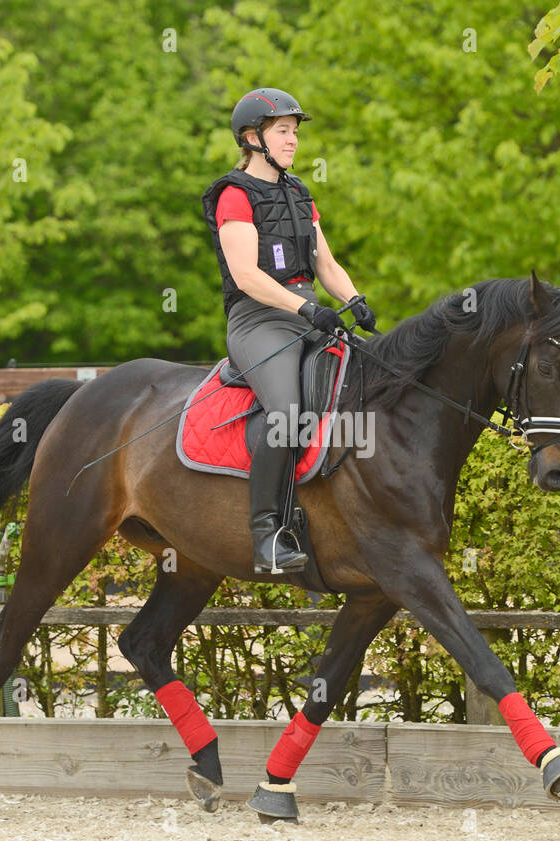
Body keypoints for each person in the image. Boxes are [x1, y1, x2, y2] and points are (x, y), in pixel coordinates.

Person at [201, 87, 376, 574]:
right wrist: (304, 308)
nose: (293, 140)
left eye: (295, 132)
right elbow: (247, 276)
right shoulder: (234, 194)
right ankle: (268, 535)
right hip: (258, 320)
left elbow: (325, 260)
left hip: (307, 313)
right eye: (284, 131)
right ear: (253, 137)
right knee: (287, 412)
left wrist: (353, 300)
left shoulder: (299, 191)